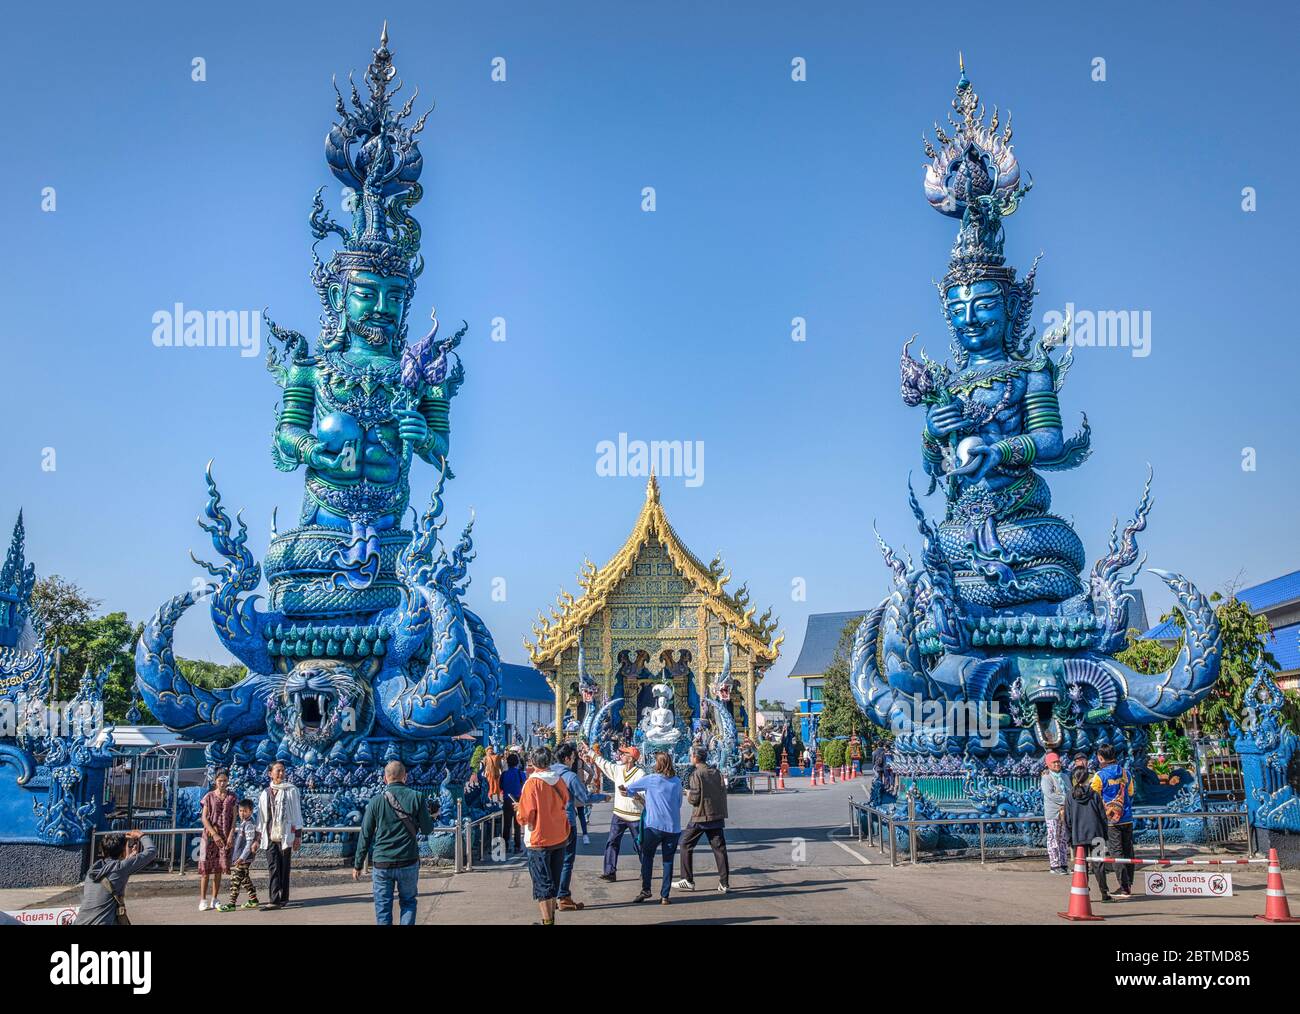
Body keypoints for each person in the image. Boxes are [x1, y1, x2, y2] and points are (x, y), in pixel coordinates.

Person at [353, 760, 434, 925]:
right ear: (406, 777)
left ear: (385, 778)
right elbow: (427, 830)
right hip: (408, 860)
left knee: (383, 908)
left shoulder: (376, 801)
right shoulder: (417, 797)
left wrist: (358, 864)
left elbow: (366, 834)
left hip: (382, 863)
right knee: (408, 902)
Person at [515, 745, 571, 925]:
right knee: (553, 880)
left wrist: (518, 811)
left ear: (532, 762)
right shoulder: (559, 780)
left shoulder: (532, 783)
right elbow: (565, 801)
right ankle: (551, 918)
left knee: (542, 884)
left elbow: (526, 816)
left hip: (539, 838)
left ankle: (547, 921)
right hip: (559, 836)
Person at [624, 751, 683, 905]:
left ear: (659, 764)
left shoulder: (651, 779)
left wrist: (633, 794)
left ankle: (646, 889)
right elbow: (679, 803)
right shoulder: (677, 781)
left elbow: (629, 788)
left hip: (654, 826)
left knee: (647, 856)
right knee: (668, 861)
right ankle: (665, 896)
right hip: (673, 827)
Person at [675, 745, 730, 894]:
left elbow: (695, 798)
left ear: (695, 757)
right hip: (716, 814)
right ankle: (724, 883)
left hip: (701, 816)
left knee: (685, 843)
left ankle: (687, 879)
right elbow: (722, 791)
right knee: (719, 849)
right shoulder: (716, 772)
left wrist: (688, 794)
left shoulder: (696, 774)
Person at [73, 830, 156, 925]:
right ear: (123, 852)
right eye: (128, 846)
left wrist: (128, 859)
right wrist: (141, 835)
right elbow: (151, 851)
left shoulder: (92, 871)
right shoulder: (121, 868)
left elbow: (113, 872)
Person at [588, 744, 644, 881]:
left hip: (634, 815)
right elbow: (604, 764)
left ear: (631, 758)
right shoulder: (618, 770)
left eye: (624, 754)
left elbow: (644, 795)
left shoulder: (640, 774)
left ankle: (646, 869)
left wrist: (634, 795)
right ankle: (609, 871)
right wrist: (590, 752)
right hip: (618, 813)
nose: (621, 755)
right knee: (612, 842)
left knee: (640, 845)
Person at [550, 742, 592, 911]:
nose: (574, 761)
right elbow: (585, 797)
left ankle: (551, 896)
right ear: (567, 759)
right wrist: (602, 797)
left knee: (552, 860)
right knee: (567, 860)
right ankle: (563, 896)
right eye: (573, 758)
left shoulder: (547, 773)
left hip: (549, 821)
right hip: (567, 822)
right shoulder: (570, 777)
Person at [256, 761, 304, 910]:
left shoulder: (291, 790)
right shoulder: (265, 793)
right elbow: (261, 817)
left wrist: (297, 836)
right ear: (270, 773)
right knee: (273, 867)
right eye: (278, 771)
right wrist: (257, 838)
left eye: (283, 770)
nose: (281, 774)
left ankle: (284, 898)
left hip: (285, 835)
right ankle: (274, 899)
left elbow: (297, 814)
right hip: (270, 835)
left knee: (284, 867)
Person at [1091, 744, 1136, 898]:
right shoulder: (1126, 773)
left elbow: (1094, 797)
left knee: (1117, 853)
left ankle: (1124, 887)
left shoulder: (1099, 776)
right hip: (1127, 817)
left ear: (1100, 758)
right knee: (1128, 850)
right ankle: (1129, 883)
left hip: (1111, 821)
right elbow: (1130, 792)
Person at [1063, 765, 1111, 903]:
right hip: (1096, 834)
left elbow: (1067, 819)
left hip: (1079, 836)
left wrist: (1069, 837)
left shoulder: (1070, 796)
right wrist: (1105, 834)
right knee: (1099, 864)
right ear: (1087, 778)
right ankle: (1104, 893)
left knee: (1081, 866)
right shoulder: (1094, 794)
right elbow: (1102, 816)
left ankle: (1084, 891)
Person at [197, 769, 236, 911]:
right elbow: (204, 818)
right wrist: (214, 834)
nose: (222, 783)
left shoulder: (232, 797)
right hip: (209, 837)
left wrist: (231, 835)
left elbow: (234, 819)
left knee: (219, 869)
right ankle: (203, 899)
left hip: (225, 836)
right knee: (205, 870)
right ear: (215, 781)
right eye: (220, 780)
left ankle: (215, 898)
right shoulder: (208, 796)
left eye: (225, 780)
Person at [218, 798, 260, 911]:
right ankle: (253, 899)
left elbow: (249, 843)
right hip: (241, 857)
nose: (242, 813)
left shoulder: (249, 824)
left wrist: (242, 857)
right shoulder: (243, 823)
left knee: (235, 880)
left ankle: (231, 904)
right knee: (245, 879)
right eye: (240, 811)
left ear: (251, 811)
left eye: (245, 811)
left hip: (244, 858)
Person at [1040, 753, 1069, 874]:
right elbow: (1050, 795)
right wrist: (1066, 800)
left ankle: (1063, 863)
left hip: (1065, 812)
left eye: (1058, 762)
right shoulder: (1046, 778)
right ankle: (1054, 865)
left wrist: (1068, 800)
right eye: (1053, 762)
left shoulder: (1065, 776)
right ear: (1048, 764)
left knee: (1063, 839)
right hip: (1053, 813)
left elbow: (1070, 791)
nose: (1057, 764)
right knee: (1053, 839)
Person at [500, 752, 526, 854]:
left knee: (506, 825)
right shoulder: (521, 774)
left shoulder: (504, 774)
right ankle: (517, 846)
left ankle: (505, 845)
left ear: (507, 762)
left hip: (507, 800)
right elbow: (524, 785)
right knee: (517, 824)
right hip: (518, 800)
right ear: (517, 762)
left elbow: (501, 786)